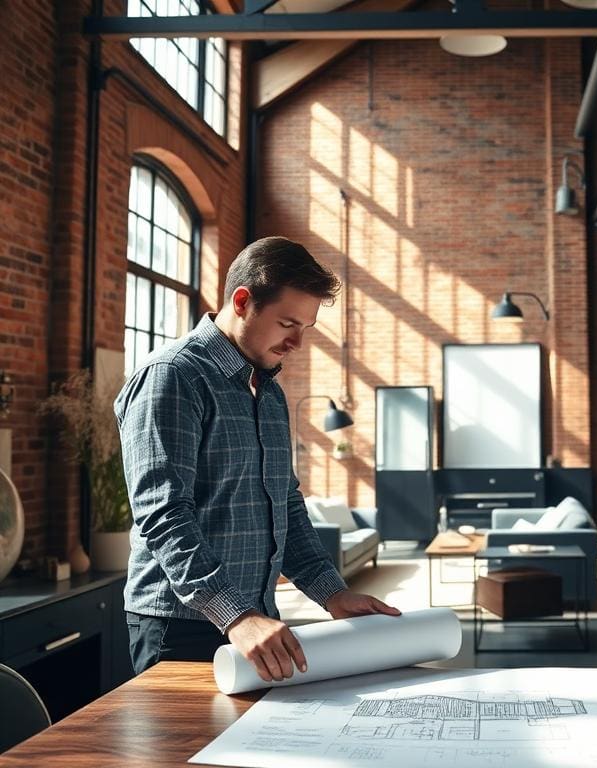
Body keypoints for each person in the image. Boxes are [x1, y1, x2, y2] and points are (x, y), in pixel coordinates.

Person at [115, 236, 399, 683]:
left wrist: (332, 594)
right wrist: (235, 615)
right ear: (243, 301)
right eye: (288, 323)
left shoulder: (268, 392)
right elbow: (164, 516)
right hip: (180, 626)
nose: (297, 343)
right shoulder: (171, 377)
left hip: (259, 620)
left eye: (306, 328)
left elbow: (285, 505)